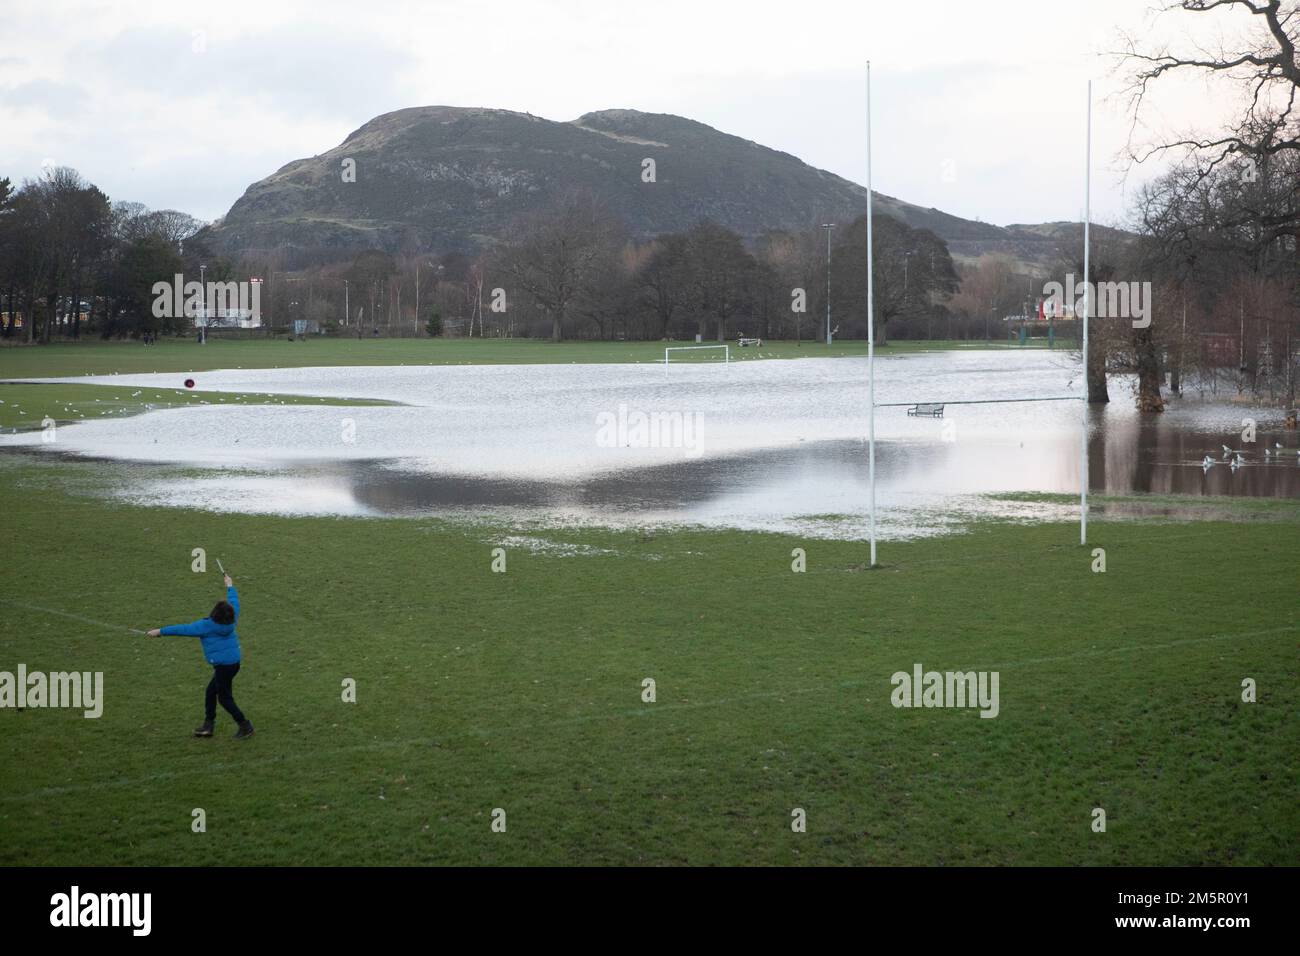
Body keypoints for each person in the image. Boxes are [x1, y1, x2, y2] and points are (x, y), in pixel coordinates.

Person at [146, 573, 254, 740]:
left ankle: (245, 725)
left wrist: (159, 631)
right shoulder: (233, 618)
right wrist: (230, 585)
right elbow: (234, 602)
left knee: (224, 699)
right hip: (233, 663)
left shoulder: (206, 626)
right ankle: (208, 726)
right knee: (211, 692)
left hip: (223, 667)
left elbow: (182, 629)